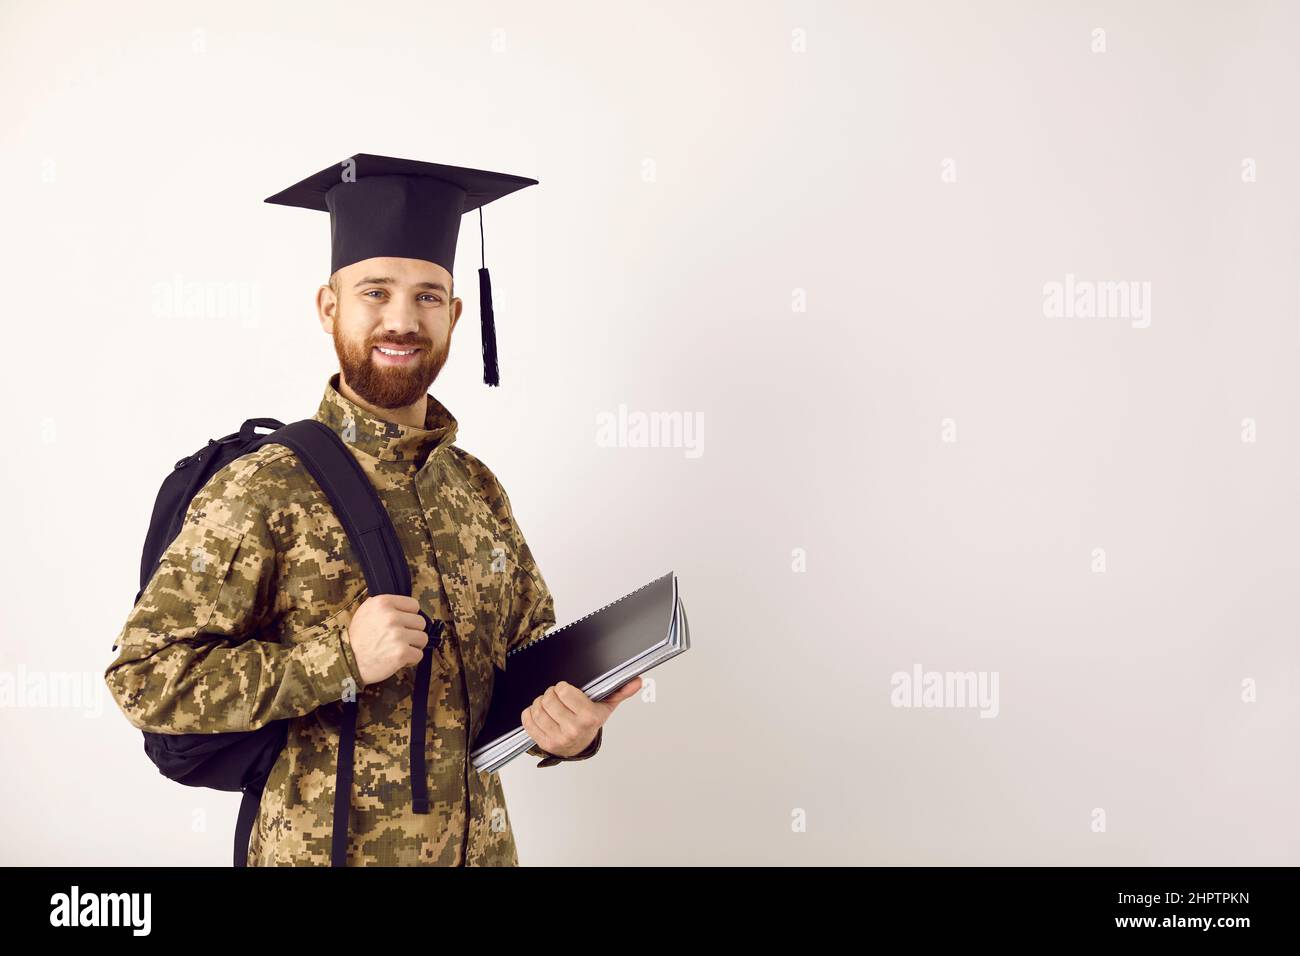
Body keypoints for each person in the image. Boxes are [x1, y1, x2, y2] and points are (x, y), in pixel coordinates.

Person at [104, 154, 641, 865]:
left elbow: (527, 656)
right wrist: (341, 659)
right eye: (375, 292)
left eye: (426, 297)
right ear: (330, 307)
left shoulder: (475, 488)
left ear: (453, 314)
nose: (402, 320)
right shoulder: (268, 487)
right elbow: (145, 679)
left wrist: (572, 728)